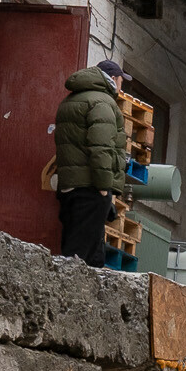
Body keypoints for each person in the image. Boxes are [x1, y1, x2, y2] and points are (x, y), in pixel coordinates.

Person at [54, 59, 130, 263]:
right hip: (91, 189)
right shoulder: (102, 103)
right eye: (122, 82)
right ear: (113, 79)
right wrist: (104, 188)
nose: (121, 88)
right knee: (79, 258)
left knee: (92, 257)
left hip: (71, 188)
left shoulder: (71, 100)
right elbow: (101, 147)